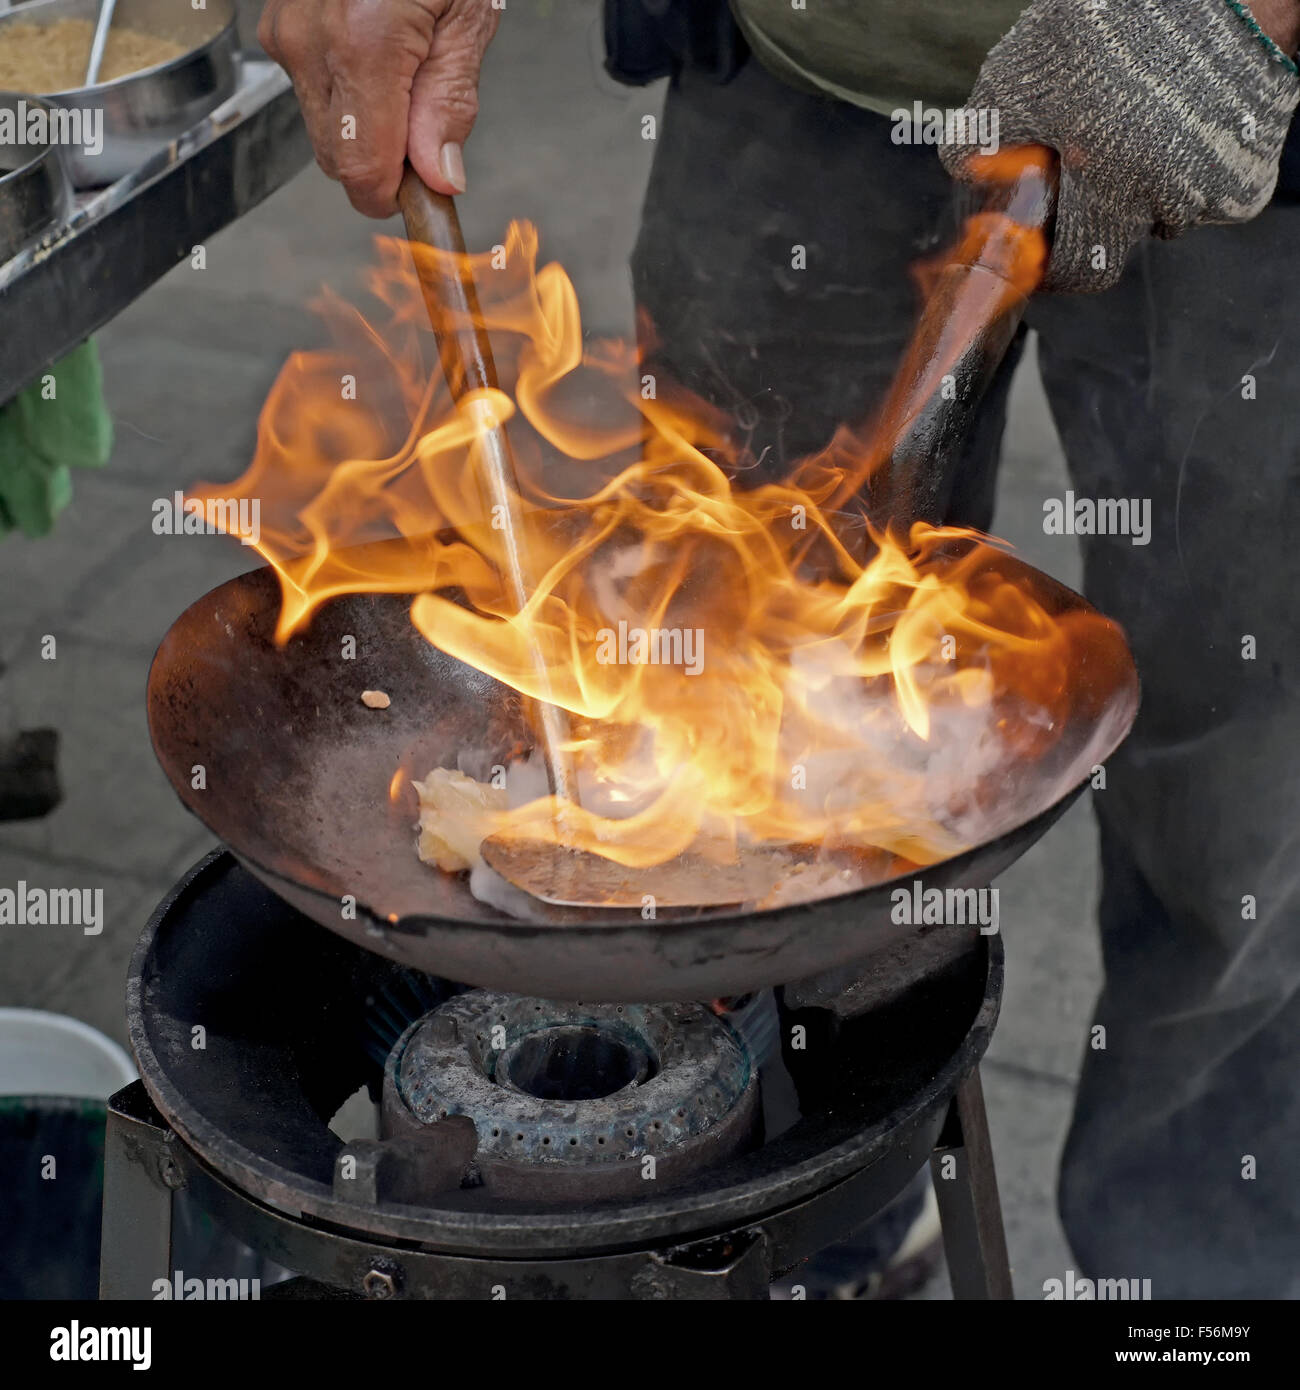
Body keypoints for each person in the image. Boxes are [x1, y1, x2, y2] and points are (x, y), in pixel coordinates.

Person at [255, 0, 1300, 1298]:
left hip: (1236, 92)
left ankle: (1203, 1289)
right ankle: (832, 1245)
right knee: (741, 753)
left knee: (1242, 810)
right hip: (813, 57)